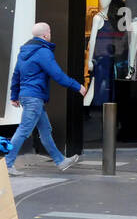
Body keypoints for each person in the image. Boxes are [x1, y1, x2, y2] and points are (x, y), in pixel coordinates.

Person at [5, 22, 84, 176]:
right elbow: (58, 75)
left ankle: (60, 161)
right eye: (50, 32)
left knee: (45, 130)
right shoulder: (43, 52)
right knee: (23, 130)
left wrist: (14, 96)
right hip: (34, 98)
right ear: (45, 35)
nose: (50, 34)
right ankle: (7, 164)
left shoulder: (24, 51)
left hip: (28, 96)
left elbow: (16, 75)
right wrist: (78, 86)